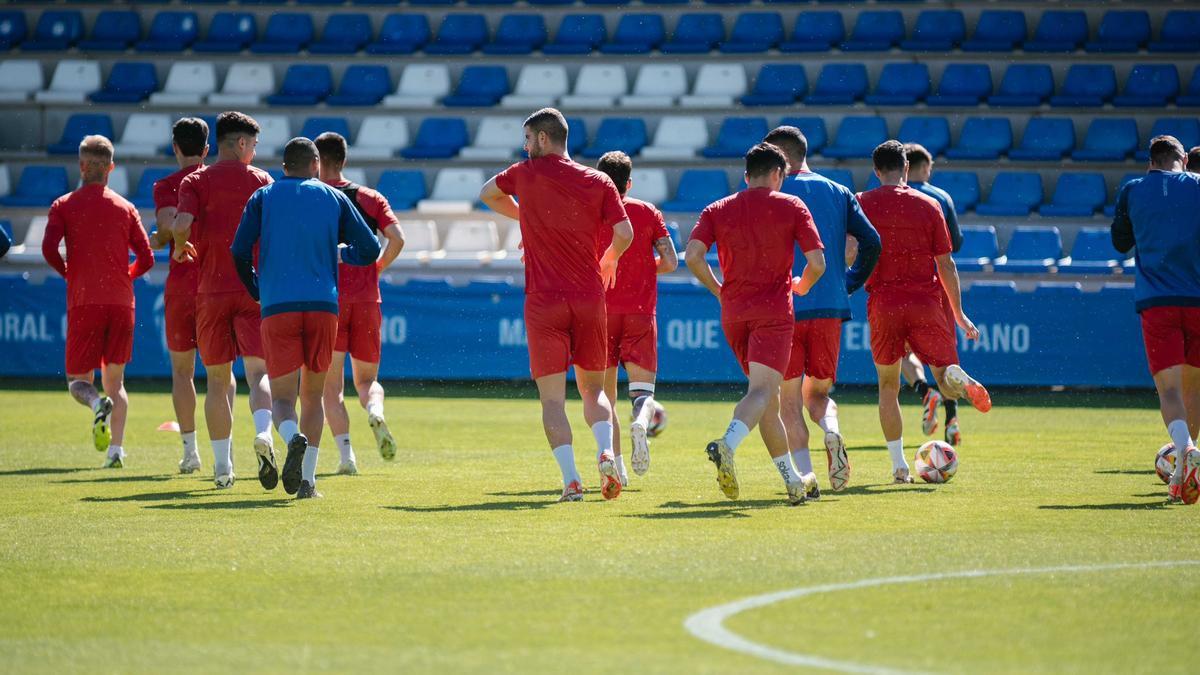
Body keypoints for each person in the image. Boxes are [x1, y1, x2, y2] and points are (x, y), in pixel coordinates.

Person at [479, 108, 634, 503]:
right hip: (588, 297)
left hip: (544, 301)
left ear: (543, 139)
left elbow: (486, 193)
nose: (525, 146)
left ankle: (572, 481)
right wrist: (610, 258)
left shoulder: (526, 173)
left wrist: (525, 219)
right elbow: (625, 233)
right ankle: (606, 452)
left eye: (528, 138)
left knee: (551, 399)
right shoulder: (599, 179)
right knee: (595, 390)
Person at [231, 137, 381, 500]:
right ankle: (308, 483)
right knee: (314, 396)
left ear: (284, 167)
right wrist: (342, 254)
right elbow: (372, 248)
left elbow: (238, 250)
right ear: (316, 165)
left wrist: (256, 290)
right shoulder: (334, 196)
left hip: (277, 305)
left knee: (283, 398)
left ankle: (288, 437)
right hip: (323, 305)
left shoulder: (263, 197)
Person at [685, 143, 826, 505]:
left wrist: (719, 289)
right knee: (763, 393)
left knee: (767, 400)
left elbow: (693, 256)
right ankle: (726, 443)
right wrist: (802, 285)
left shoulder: (718, 208)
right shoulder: (791, 205)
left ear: (747, 175)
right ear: (779, 174)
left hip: (734, 312)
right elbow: (818, 263)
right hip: (774, 312)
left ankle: (792, 481)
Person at [856, 141, 991, 484]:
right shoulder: (930, 204)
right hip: (926, 299)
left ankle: (900, 466)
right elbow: (946, 263)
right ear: (906, 168)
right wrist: (959, 314)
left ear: (876, 171)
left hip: (884, 300)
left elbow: (849, 254)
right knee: (943, 375)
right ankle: (956, 377)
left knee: (888, 386)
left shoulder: (861, 202)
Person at [764, 126, 881, 493]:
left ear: (777, 158)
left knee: (788, 402)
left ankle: (806, 477)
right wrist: (848, 282)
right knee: (817, 394)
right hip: (830, 305)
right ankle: (831, 431)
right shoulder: (839, 191)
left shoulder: (772, 193)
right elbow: (872, 242)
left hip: (786, 306)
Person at [167, 111, 274, 490]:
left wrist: (181, 248)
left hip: (210, 291)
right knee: (259, 373)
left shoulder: (196, 179)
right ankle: (264, 433)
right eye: (254, 145)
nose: (255, 152)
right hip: (252, 288)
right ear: (242, 144)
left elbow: (179, 225)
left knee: (216, 381)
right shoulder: (262, 180)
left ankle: (221, 468)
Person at [42, 135, 154, 468]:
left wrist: (67, 273)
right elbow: (147, 258)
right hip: (122, 304)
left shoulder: (64, 205)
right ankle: (115, 452)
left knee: (78, 381)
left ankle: (95, 406)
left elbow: (49, 248)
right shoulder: (126, 207)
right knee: (116, 382)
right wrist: (125, 278)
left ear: (81, 165)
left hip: (85, 301)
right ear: (111, 168)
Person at [1111, 135, 1200, 505]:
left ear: (1151, 162)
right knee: (1195, 389)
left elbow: (1120, 242)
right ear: (1182, 159)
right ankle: (1182, 472)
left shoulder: (1133, 190)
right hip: (1197, 299)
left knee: (1170, 392)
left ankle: (1187, 452)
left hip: (1156, 301)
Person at [313, 132, 406, 475]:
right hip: (367, 298)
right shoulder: (369, 197)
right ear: (345, 160)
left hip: (329, 299)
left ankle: (346, 456)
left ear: (316, 161)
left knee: (331, 388)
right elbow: (397, 238)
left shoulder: (314, 198)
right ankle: (375, 411)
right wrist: (377, 267)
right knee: (367, 381)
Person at [148, 117, 233, 475]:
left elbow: (168, 227)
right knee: (222, 373)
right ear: (207, 148)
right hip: (214, 283)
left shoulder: (167, 185)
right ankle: (223, 454)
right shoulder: (215, 180)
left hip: (183, 285)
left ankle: (190, 451)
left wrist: (156, 237)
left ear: (175, 147)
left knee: (182, 372)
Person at [594, 150, 678, 486]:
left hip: (599, 314)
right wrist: (644, 267)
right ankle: (642, 421)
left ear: (600, 180)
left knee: (605, 398)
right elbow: (670, 261)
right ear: (629, 183)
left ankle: (618, 469)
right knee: (642, 394)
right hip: (641, 314)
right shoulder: (647, 212)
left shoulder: (589, 212)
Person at [903, 143, 965, 446]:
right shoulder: (940, 197)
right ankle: (952, 420)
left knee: (900, 352)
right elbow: (956, 244)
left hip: (899, 285)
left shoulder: (890, 198)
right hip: (935, 286)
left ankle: (924, 390)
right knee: (945, 354)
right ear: (926, 167)